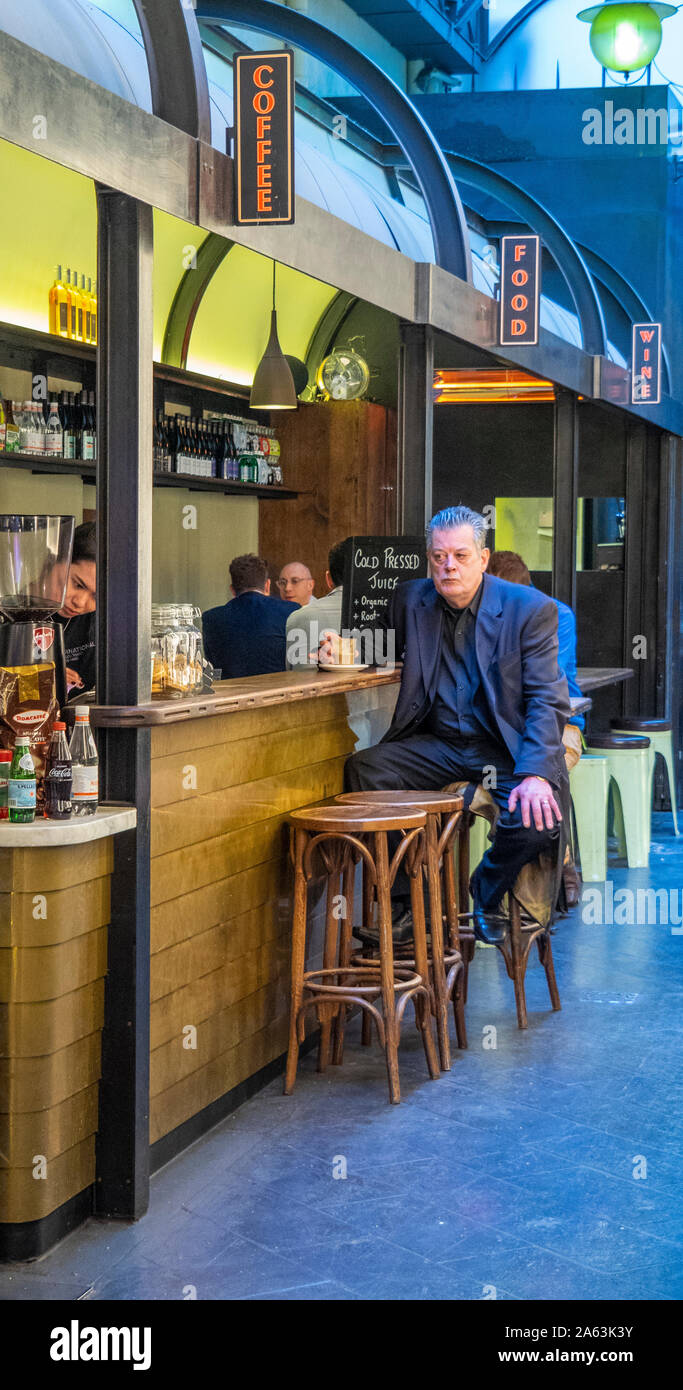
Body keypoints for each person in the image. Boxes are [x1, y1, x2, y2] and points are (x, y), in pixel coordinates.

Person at [343, 505, 570, 945]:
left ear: (483, 559)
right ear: (429, 558)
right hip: (440, 744)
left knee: (538, 822)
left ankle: (485, 889)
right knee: (366, 769)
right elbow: (374, 644)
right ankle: (411, 905)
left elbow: (547, 698)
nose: (448, 566)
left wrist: (537, 773)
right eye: (438, 556)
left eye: (460, 556)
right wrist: (342, 648)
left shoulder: (530, 609)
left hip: (504, 749)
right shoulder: (411, 598)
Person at [486, 548, 584, 905]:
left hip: (562, 724)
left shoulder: (557, 615)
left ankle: (562, 865)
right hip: (502, 731)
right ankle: (510, 862)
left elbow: (541, 690)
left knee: (547, 764)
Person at [202, 554, 297, 679]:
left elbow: (213, 670)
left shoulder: (211, 619)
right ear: (267, 585)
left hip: (231, 696)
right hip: (280, 695)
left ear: (232, 590)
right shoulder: (291, 611)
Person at [286, 541, 345, 670]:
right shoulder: (386, 615)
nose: (287, 588)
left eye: (295, 581)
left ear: (328, 579)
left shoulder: (297, 618)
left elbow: (293, 676)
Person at [55, 521, 97, 693]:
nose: (80, 602)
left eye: (97, 597)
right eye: (78, 585)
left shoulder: (106, 623)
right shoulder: (12, 615)